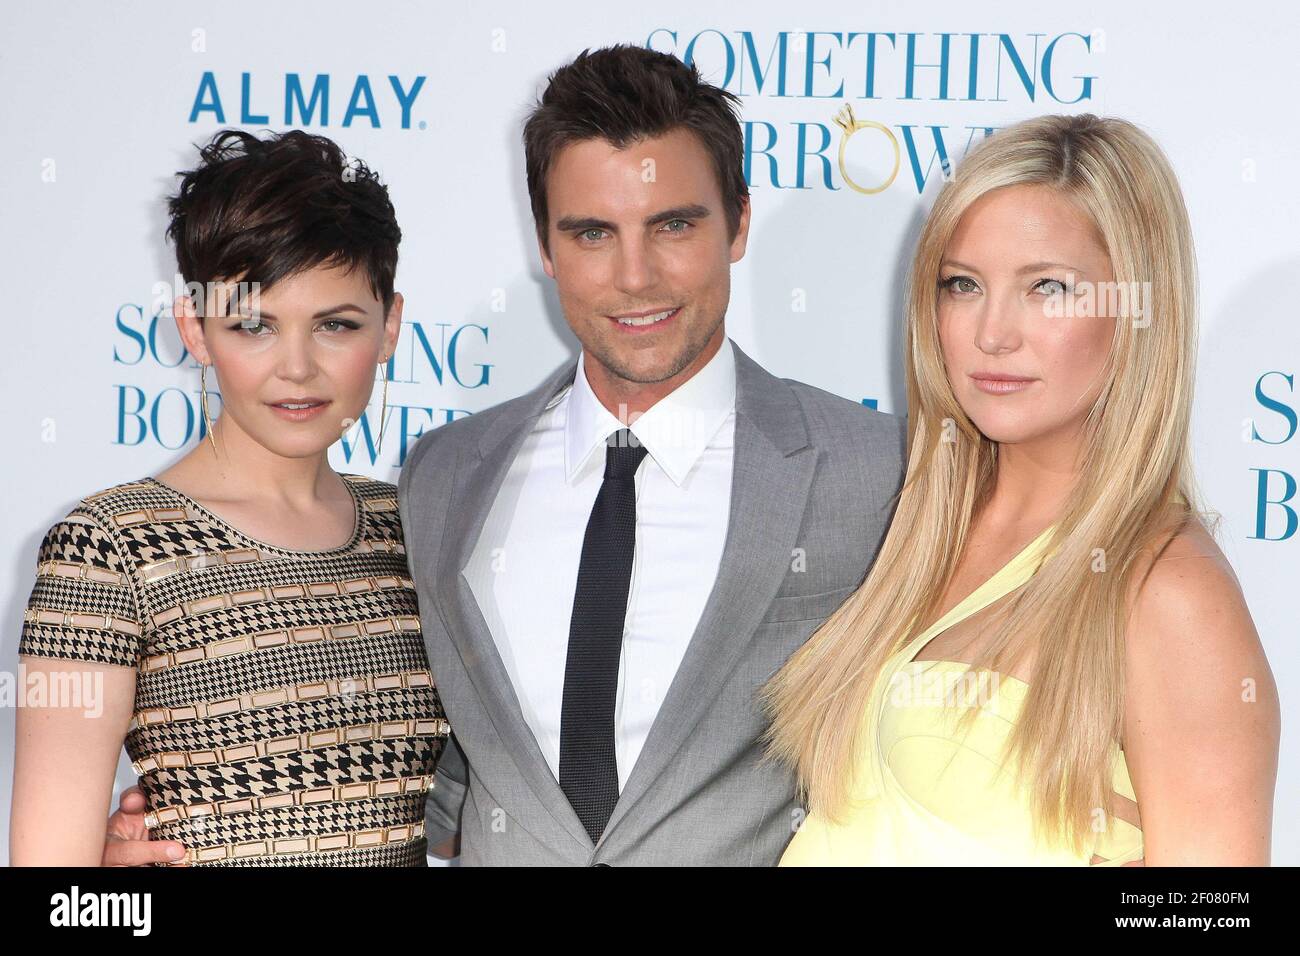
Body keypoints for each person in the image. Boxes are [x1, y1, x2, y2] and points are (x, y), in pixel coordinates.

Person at [395, 44, 906, 865]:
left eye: (673, 225)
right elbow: (438, 770)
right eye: (593, 233)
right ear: (545, 247)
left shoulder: (881, 472)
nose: (636, 277)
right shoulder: (445, 476)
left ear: (738, 222)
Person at [766, 114, 1281, 866]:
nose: (992, 333)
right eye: (962, 284)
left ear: (1137, 313)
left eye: (1047, 287)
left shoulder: (1167, 590)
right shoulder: (922, 532)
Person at [12, 129, 449, 866]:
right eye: (254, 326)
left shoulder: (415, 526)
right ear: (196, 330)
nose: (298, 369)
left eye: (337, 324)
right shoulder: (107, 549)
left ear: (390, 326)